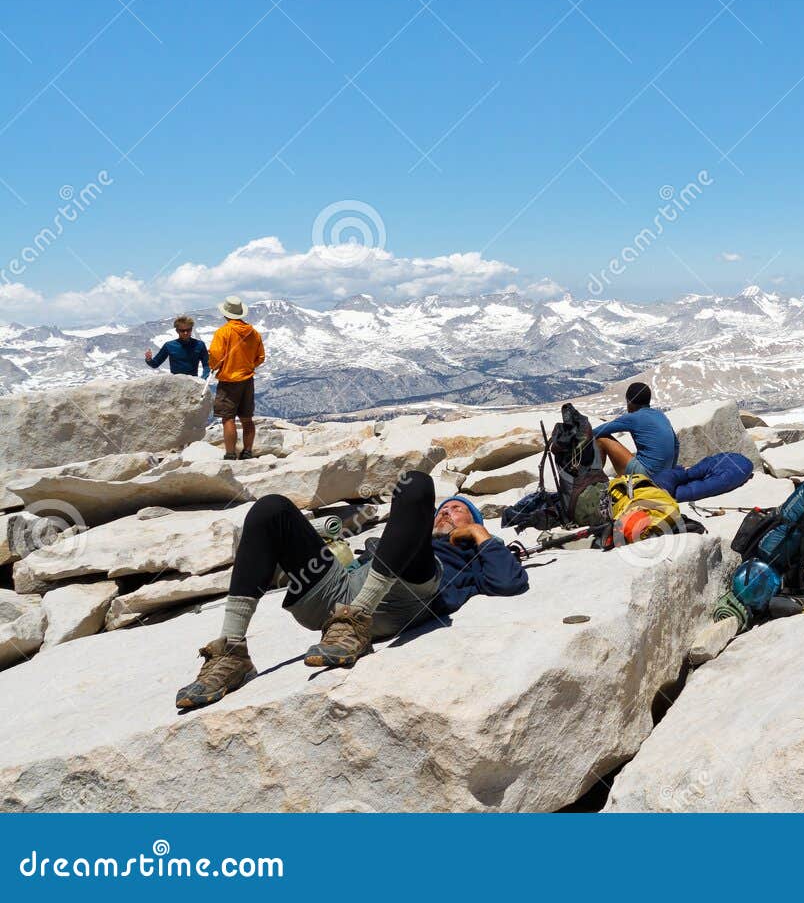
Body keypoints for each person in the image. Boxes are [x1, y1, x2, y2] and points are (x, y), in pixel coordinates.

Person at [175, 472, 527, 710]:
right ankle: (232, 652)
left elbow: (509, 582)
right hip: (341, 592)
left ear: (475, 524)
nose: (447, 513)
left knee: (416, 482)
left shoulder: (468, 556)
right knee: (270, 509)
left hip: (408, 593)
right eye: (442, 510)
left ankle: (357, 624)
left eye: (459, 510)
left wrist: (481, 537)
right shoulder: (404, 535)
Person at [208, 296, 267, 461]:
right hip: (247, 379)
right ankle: (248, 451)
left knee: (228, 418)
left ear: (226, 313)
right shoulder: (253, 332)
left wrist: (214, 366)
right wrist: (249, 366)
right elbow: (260, 357)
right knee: (247, 418)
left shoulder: (223, 332)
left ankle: (230, 454)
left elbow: (215, 356)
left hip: (228, 381)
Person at [593, 382, 679, 478]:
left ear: (629, 402)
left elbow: (598, 431)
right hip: (664, 474)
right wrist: (670, 472)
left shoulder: (633, 417)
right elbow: (676, 445)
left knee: (602, 438)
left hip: (646, 474)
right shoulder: (661, 415)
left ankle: (595, 478)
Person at [144, 316, 210, 378]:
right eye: (182, 331)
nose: (185, 333)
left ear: (191, 329)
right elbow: (155, 364)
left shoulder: (199, 345)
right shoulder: (169, 346)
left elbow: (206, 365)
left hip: (194, 381)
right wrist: (149, 359)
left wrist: (203, 379)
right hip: (176, 382)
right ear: (177, 331)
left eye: (188, 330)